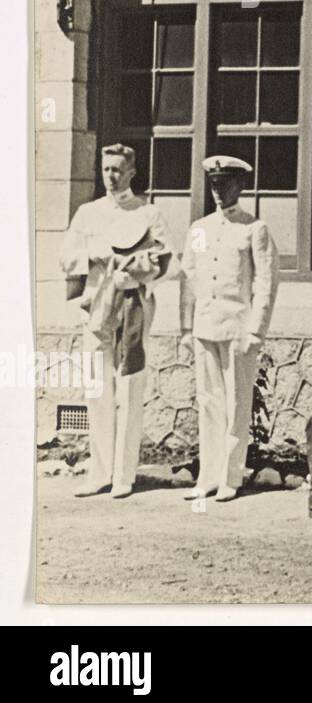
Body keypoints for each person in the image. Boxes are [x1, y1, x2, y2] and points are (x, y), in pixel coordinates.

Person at [59, 144, 173, 499]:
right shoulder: (87, 213)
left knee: (129, 389)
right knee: (97, 389)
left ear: (132, 173)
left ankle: (125, 475)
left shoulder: (148, 213)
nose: (111, 176)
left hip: (133, 309)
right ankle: (100, 472)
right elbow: (64, 258)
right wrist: (88, 256)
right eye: (107, 169)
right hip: (97, 311)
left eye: (118, 170)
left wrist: (141, 270)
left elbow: (168, 260)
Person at [180, 155, 279, 503]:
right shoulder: (199, 229)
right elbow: (189, 279)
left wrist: (256, 330)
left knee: (237, 403)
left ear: (241, 186)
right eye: (214, 184)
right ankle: (207, 477)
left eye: (225, 184)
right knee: (208, 402)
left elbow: (265, 283)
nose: (219, 191)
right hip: (205, 325)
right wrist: (185, 328)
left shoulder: (255, 229)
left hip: (238, 328)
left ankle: (230, 478)